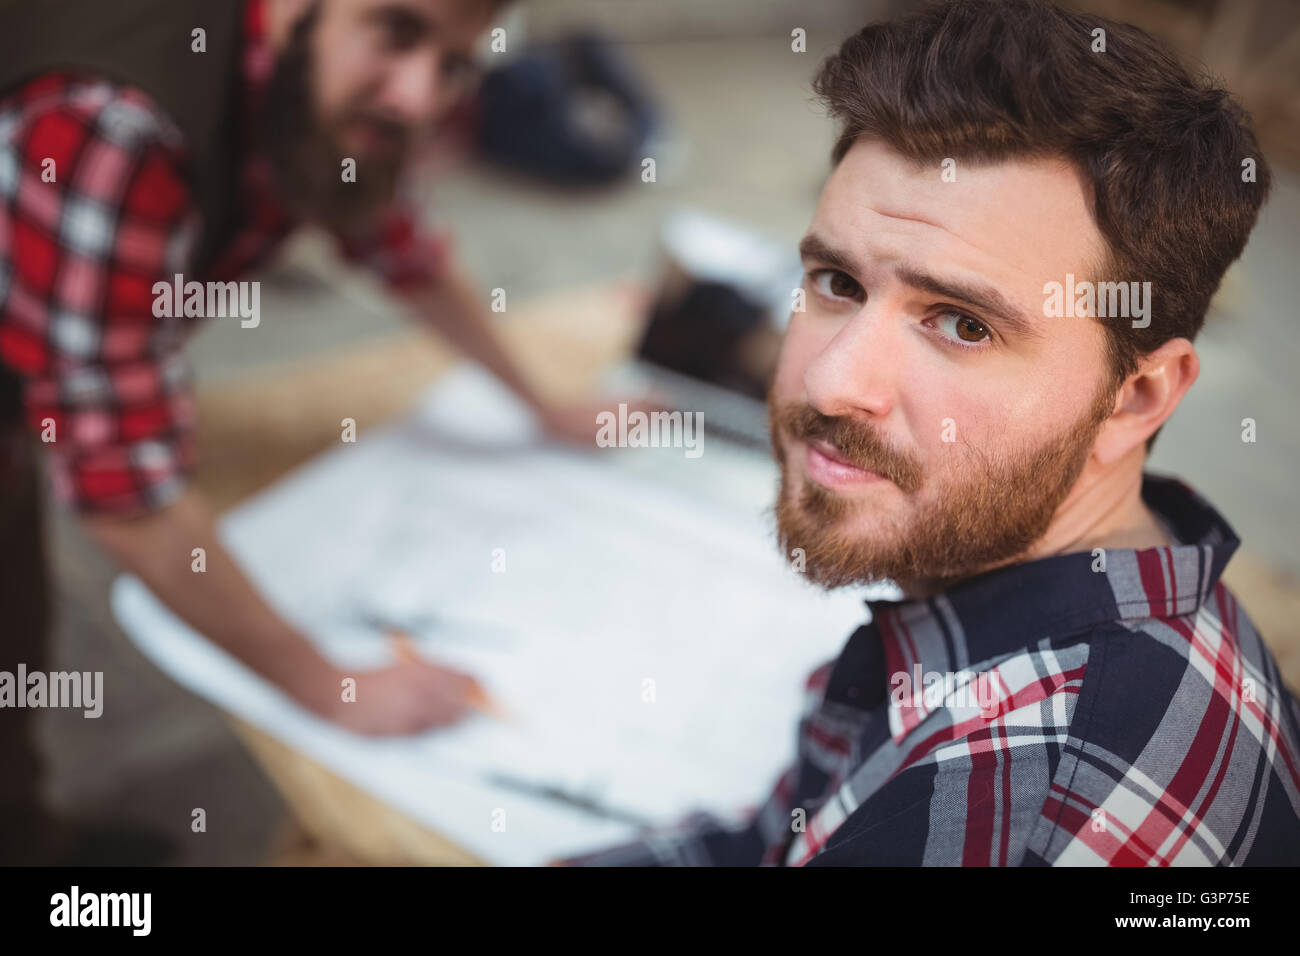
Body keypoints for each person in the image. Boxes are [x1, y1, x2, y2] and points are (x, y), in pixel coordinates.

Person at [565, 0, 1300, 865]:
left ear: (1135, 399)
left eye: (962, 325)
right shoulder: (1085, 579)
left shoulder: (1009, 817)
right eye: (836, 280)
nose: (832, 381)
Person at [0, 0, 638, 863]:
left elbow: (397, 241)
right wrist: (329, 686)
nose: (417, 96)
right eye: (397, 30)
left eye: (454, 64)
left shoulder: (312, 86)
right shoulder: (114, 123)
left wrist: (541, 406)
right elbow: (125, 499)